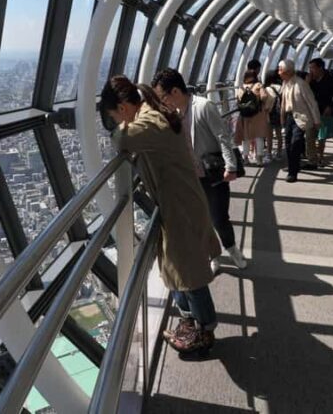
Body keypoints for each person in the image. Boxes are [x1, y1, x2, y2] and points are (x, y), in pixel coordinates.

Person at [100, 75, 220, 353]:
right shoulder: (154, 112)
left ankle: (206, 329)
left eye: (116, 116)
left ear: (122, 107)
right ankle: (192, 320)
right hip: (180, 200)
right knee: (178, 266)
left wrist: (120, 128)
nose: (121, 122)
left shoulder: (149, 123)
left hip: (179, 204)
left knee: (189, 271)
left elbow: (120, 138)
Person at [152, 68, 247, 273]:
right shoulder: (174, 114)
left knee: (219, 217)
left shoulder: (203, 107)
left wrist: (230, 167)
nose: (163, 102)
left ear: (175, 92)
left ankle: (232, 250)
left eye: (163, 97)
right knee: (199, 219)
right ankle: (213, 255)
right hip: (190, 177)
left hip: (213, 175)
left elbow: (223, 137)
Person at [279, 59, 320, 182]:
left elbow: (312, 103)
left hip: (301, 118)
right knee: (288, 144)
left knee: (295, 143)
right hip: (289, 117)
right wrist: (282, 119)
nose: (278, 72)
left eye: (280, 69)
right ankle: (292, 167)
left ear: (288, 71)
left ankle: (293, 173)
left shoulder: (301, 84)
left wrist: (316, 121)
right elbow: (283, 103)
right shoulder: (285, 83)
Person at [236, 69, 274, 166]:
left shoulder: (241, 87)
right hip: (258, 114)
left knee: (246, 138)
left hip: (245, 115)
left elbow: (238, 100)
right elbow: (264, 96)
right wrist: (260, 103)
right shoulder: (258, 85)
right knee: (259, 137)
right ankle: (259, 160)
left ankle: (245, 159)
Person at [308, 58, 333, 167]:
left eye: (312, 68)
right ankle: (313, 158)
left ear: (320, 68)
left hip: (324, 112)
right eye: (310, 68)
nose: (311, 70)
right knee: (310, 136)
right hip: (311, 112)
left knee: (321, 137)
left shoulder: (331, 81)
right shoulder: (310, 81)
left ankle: (320, 156)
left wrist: (330, 106)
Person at [263, 70, 283, 159]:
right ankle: (279, 153)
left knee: (269, 135)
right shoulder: (281, 87)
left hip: (269, 114)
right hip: (279, 113)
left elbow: (266, 103)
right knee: (279, 134)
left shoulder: (268, 88)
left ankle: (269, 154)